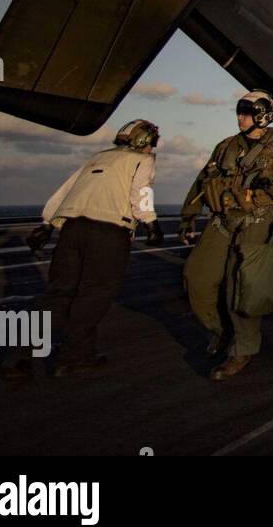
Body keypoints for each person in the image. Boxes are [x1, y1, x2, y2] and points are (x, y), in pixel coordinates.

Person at [10, 120, 163, 378]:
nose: (152, 148)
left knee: (58, 293)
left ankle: (20, 357)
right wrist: (151, 224)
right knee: (93, 295)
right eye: (152, 143)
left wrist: (48, 225)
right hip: (109, 234)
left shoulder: (98, 158)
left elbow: (65, 192)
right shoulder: (142, 161)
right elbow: (140, 191)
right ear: (143, 141)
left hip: (72, 231)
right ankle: (73, 356)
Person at [179, 91, 273, 381]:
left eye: (246, 111)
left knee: (241, 284)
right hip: (223, 218)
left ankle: (243, 348)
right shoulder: (226, 146)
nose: (240, 116)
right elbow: (203, 181)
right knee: (196, 277)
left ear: (262, 114)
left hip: (258, 219)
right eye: (240, 110)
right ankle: (221, 331)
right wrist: (188, 215)